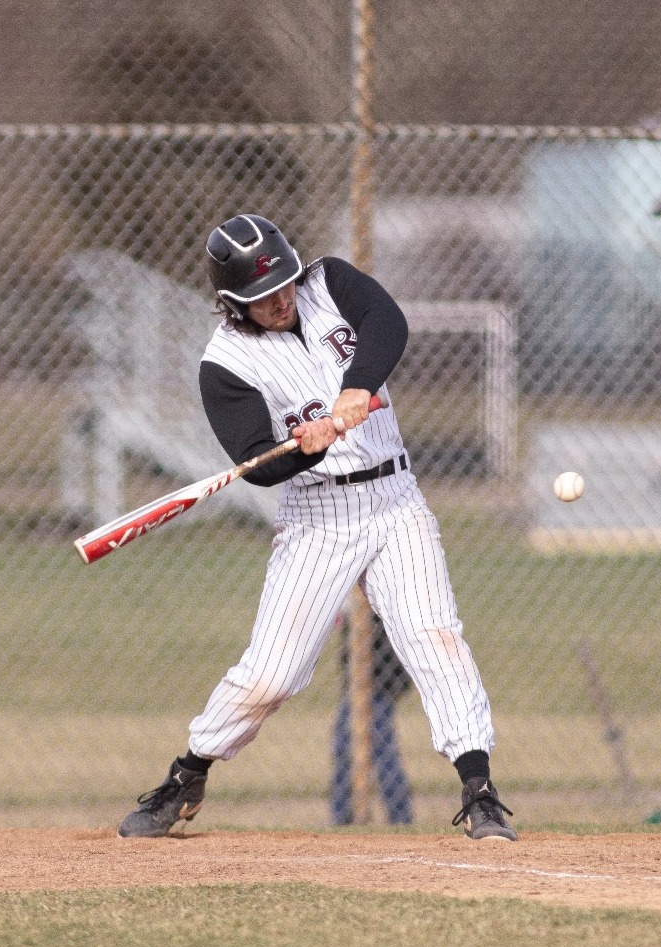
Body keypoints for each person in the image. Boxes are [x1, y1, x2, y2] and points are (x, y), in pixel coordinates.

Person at [117, 213, 516, 841]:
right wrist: (305, 446)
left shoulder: (328, 282)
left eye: (282, 285)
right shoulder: (223, 365)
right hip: (316, 519)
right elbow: (257, 465)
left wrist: (357, 387)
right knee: (272, 673)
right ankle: (188, 775)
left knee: (433, 637)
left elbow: (389, 322)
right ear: (231, 303)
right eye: (260, 297)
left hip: (394, 500)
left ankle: (480, 788)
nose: (279, 301)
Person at [330, 606, 413, 826]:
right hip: (367, 677)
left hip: (378, 676)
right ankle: (396, 819)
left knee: (374, 749)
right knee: (350, 744)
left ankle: (396, 819)